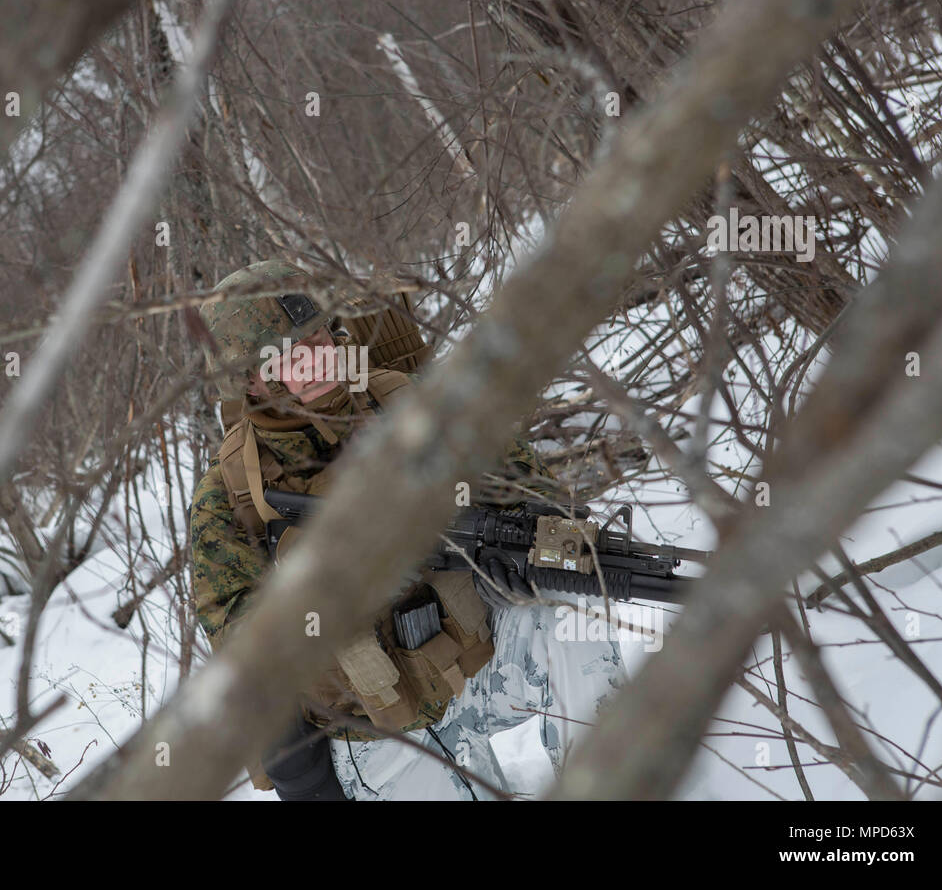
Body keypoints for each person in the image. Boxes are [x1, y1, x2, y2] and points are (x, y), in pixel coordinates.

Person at [189, 260, 625, 800]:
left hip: (479, 669)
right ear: (252, 381)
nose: (315, 359)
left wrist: (516, 539)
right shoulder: (231, 496)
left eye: (317, 336)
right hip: (374, 736)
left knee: (571, 603)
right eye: (288, 357)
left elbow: (528, 486)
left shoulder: (407, 400)